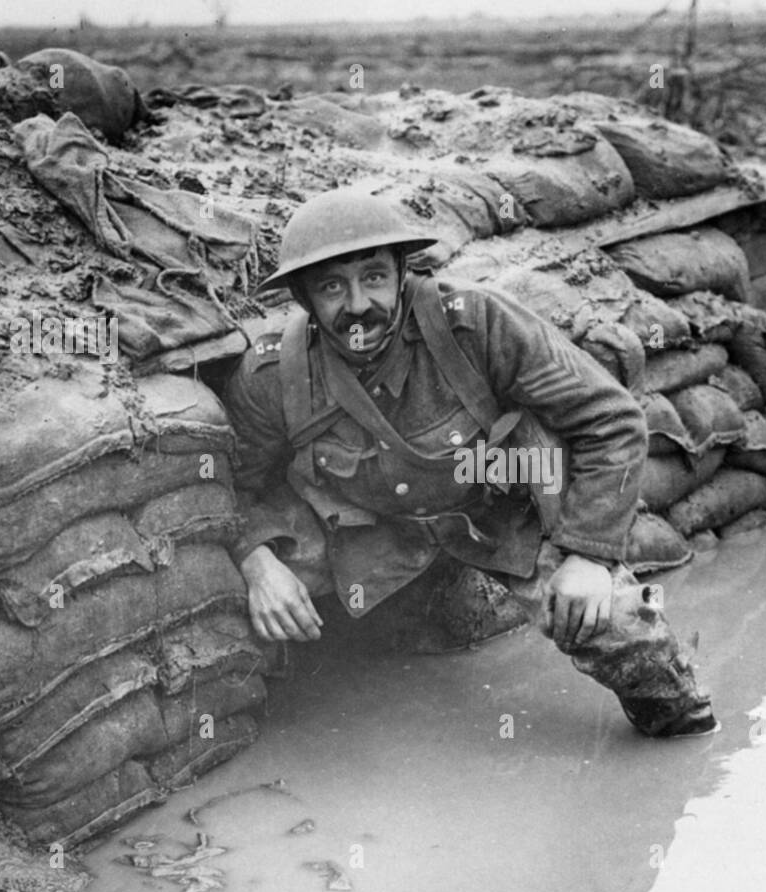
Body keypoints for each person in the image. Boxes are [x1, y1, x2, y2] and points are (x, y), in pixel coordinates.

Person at [223, 189, 717, 738]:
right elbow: (234, 485)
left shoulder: (474, 323)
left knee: (624, 630)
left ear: (402, 272)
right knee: (237, 605)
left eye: (374, 277)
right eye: (332, 287)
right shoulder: (273, 376)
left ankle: (675, 733)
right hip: (371, 530)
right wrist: (255, 560)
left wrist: (588, 556)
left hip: (500, 513)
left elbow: (612, 419)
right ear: (303, 298)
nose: (358, 304)